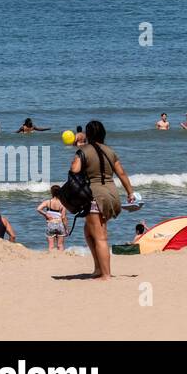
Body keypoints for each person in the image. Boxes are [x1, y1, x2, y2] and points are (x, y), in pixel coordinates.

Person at [68, 119, 136, 281]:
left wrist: (76, 156)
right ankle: (99, 268)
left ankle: (105, 274)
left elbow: (74, 170)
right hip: (112, 195)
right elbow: (122, 173)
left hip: (95, 196)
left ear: (88, 134)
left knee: (100, 236)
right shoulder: (110, 151)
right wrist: (130, 192)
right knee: (88, 231)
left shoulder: (84, 151)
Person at [35, 186, 68, 251]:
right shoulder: (63, 203)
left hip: (51, 224)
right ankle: (61, 258)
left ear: (51, 192)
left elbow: (38, 209)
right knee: (60, 245)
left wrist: (45, 214)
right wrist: (66, 229)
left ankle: (51, 257)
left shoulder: (48, 202)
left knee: (51, 245)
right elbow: (63, 217)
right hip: (60, 224)